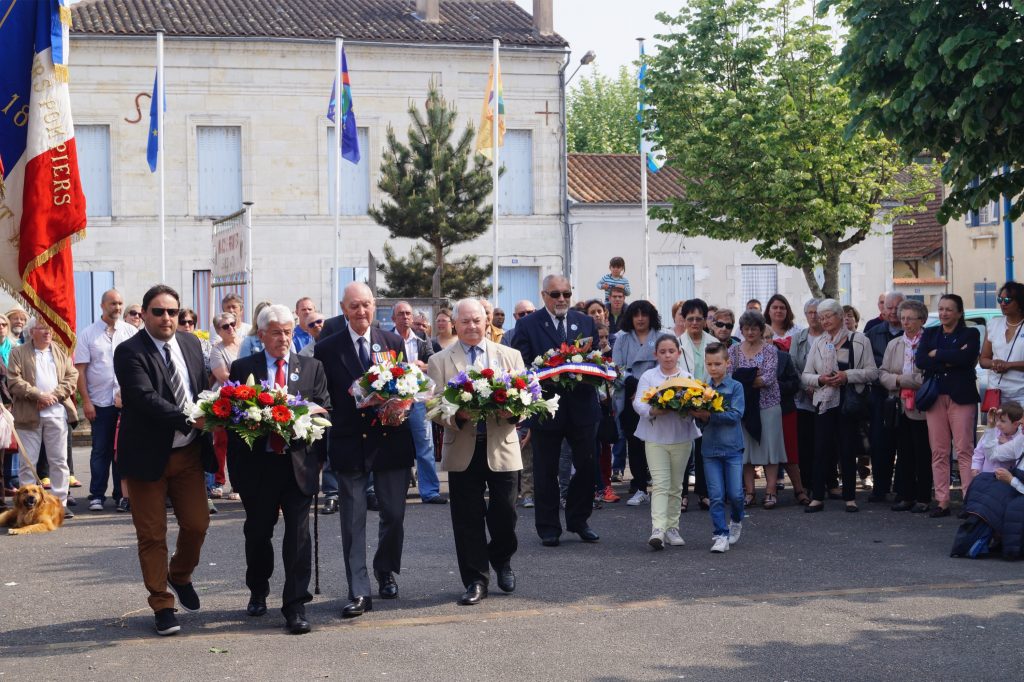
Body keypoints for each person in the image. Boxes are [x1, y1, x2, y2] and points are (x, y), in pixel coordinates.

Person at [113, 284, 217, 636]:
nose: (167, 318)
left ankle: (180, 574)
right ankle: (161, 603)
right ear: (143, 315)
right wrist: (190, 418)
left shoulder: (191, 343)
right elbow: (142, 398)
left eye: (172, 311)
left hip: (188, 454)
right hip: (146, 457)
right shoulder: (129, 352)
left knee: (197, 524)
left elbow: (201, 388)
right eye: (158, 311)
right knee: (152, 535)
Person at [225, 304, 330, 634]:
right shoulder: (244, 367)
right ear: (261, 335)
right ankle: (258, 588)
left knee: (298, 536)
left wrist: (320, 461)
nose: (283, 338)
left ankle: (295, 604)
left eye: (287, 331)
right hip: (259, 466)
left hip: (298, 465)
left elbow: (325, 412)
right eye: (276, 332)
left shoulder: (311, 367)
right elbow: (230, 416)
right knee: (258, 532)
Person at [313, 282, 414, 618]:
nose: (361, 312)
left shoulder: (392, 341)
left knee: (394, 515)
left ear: (375, 307)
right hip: (349, 441)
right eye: (354, 306)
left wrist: (402, 406)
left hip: (390, 440)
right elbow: (322, 396)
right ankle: (359, 589)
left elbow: (407, 384)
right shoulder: (327, 348)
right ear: (344, 309)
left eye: (366, 305)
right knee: (353, 521)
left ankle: (385, 569)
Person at [426, 299, 524, 605]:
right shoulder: (440, 360)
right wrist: (457, 416)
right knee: (467, 519)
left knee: (504, 514)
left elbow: (526, 398)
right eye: (465, 321)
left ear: (487, 323)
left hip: (502, 446)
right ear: (455, 324)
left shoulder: (510, 356)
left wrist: (513, 411)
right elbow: (433, 406)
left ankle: (502, 558)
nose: (471, 326)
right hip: (463, 447)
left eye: (477, 321)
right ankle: (475, 580)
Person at [510, 274, 601, 546]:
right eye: (555, 294)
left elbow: (595, 359)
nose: (562, 299)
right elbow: (522, 363)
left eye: (566, 294)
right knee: (545, 470)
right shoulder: (527, 325)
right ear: (544, 296)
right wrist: (550, 367)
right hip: (546, 406)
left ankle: (578, 519)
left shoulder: (585, 322)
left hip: (582, 405)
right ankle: (548, 527)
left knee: (586, 466)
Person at [802, 299, 878, 513]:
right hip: (824, 401)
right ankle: (817, 497)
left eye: (829, 316)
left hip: (849, 401)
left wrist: (847, 376)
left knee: (847, 449)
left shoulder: (859, 340)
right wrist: (820, 380)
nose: (824, 321)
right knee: (821, 449)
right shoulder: (817, 343)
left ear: (840, 316)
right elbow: (805, 375)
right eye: (821, 317)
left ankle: (850, 498)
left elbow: (873, 372)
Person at [916, 293, 981, 517]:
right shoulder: (931, 332)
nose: (943, 313)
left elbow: (968, 358)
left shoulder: (970, 333)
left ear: (959, 313)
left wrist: (938, 354)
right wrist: (951, 356)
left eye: (948, 309)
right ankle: (942, 501)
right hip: (935, 397)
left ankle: (969, 501)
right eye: (941, 309)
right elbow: (921, 360)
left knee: (964, 450)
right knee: (939, 451)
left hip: (962, 396)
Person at [632, 335, 699, 549]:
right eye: (663, 351)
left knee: (676, 485)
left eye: (672, 351)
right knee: (660, 484)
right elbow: (639, 403)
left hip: (681, 437)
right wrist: (653, 409)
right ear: (656, 355)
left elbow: (697, 402)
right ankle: (658, 530)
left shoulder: (687, 376)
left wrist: (687, 408)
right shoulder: (649, 376)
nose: (668, 355)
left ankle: (672, 527)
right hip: (655, 438)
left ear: (679, 353)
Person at [74, 288, 138, 513]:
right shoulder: (88, 334)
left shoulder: (130, 332)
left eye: (120, 304)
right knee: (101, 450)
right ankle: (97, 495)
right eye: (113, 304)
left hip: (126, 403)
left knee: (124, 451)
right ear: (102, 306)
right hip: (100, 403)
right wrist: (87, 403)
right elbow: (80, 371)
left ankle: (122, 495)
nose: (118, 308)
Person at [8, 318, 78, 518]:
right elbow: (14, 381)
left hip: (57, 413)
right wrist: (38, 395)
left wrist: (53, 396)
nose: (48, 332)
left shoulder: (60, 351)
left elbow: (72, 376)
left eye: (50, 329)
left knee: (59, 461)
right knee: (28, 463)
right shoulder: (17, 353)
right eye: (42, 328)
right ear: (31, 332)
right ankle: (27, 507)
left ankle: (58, 505)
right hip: (28, 416)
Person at [728, 311, 786, 508]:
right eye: (746, 328)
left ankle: (770, 491)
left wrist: (743, 376)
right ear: (742, 330)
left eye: (754, 328)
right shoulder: (733, 351)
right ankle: (750, 492)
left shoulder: (770, 351)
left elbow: (768, 378)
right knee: (746, 452)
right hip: (743, 407)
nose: (750, 332)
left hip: (768, 405)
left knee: (770, 449)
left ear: (762, 330)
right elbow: (729, 378)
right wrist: (752, 376)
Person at [879, 299, 931, 513]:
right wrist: (900, 380)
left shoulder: (929, 342)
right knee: (905, 453)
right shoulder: (895, 344)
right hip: (899, 405)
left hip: (923, 405)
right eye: (903, 318)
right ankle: (906, 496)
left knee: (923, 453)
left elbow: (926, 377)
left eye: (910, 318)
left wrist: (902, 379)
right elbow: (882, 373)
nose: (905, 323)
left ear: (922, 320)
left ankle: (924, 497)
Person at [392, 301, 445, 505]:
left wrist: (421, 365)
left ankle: (430, 491)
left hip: (419, 400)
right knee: (397, 446)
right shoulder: (386, 338)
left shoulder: (423, 339)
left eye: (408, 314)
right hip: (395, 401)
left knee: (425, 446)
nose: (405, 317)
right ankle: (397, 490)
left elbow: (433, 362)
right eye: (401, 314)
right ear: (393, 318)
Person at [694, 343, 745, 553]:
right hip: (710, 450)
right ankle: (720, 534)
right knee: (715, 495)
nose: (713, 368)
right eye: (709, 364)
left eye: (717, 363)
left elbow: (736, 415)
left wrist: (709, 416)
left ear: (727, 363)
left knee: (735, 494)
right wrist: (697, 416)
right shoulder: (702, 389)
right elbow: (699, 423)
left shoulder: (735, 387)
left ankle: (736, 520)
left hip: (732, 448)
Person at [612, 300, 663, 508]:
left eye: (644, 314)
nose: (640, 318)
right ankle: (640, 487)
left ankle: (660, 488)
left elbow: (666, 365)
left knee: (657, 444)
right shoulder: (622, 339)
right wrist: (632, 385)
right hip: (629, 398)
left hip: (656, 397)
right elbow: (615, 368)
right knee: (635, 445)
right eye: (636, 315)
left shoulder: (662, 336)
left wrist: (646, 388)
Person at [865, 292, 905, 501]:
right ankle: (880, 488)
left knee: (905, 443)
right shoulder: (873, 333)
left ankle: (902, 489)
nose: (892, 312)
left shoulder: (913, 333)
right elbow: (869, 366)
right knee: (880, 443)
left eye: (896, 307)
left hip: (908, 395)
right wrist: (889, 377)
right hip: (880, 396)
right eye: (888, 307)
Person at [677, 299, 715, 511]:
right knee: (684, 450)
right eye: (690, 318)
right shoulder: (677, 343)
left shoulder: (713, 342)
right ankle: (682, 494)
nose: (694, 323)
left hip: (708, 402)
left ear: (704, 320)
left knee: (704, 450)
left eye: (699, 319)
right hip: (685, 403)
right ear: (683, 320)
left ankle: (704, 493)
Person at [791, 299, 825, 494]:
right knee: (805, 443)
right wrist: (807, 386)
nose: (813, 316)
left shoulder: (830, 337)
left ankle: (828, 481)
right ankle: (807, 483)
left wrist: (821, 386)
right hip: (804, 399)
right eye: (810, 312)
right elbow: (794, 366)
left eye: (817, 313)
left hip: (826, 396)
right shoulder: (799, 338)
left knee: (826, 441)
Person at [980, 281, 1024, 404]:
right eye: (1000, 299)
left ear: (1020, 302)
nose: (1003, 303)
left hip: (1021, 395)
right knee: (997, 424)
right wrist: (994, 363)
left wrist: (1009, 365)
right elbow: (983, 360)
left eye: (1008, 300)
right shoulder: (994, 324)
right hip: (996, 393)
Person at [972, 402, 1024, 476]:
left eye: (1003, 421)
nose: (998, 424)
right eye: (997, 420)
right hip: (986, 475)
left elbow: (1019, 461)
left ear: (1015, 424)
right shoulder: (992, 431)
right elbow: (979, 451)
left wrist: (1008, 444)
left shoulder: (1019, 438)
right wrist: (976, 467)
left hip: (1005, 481)